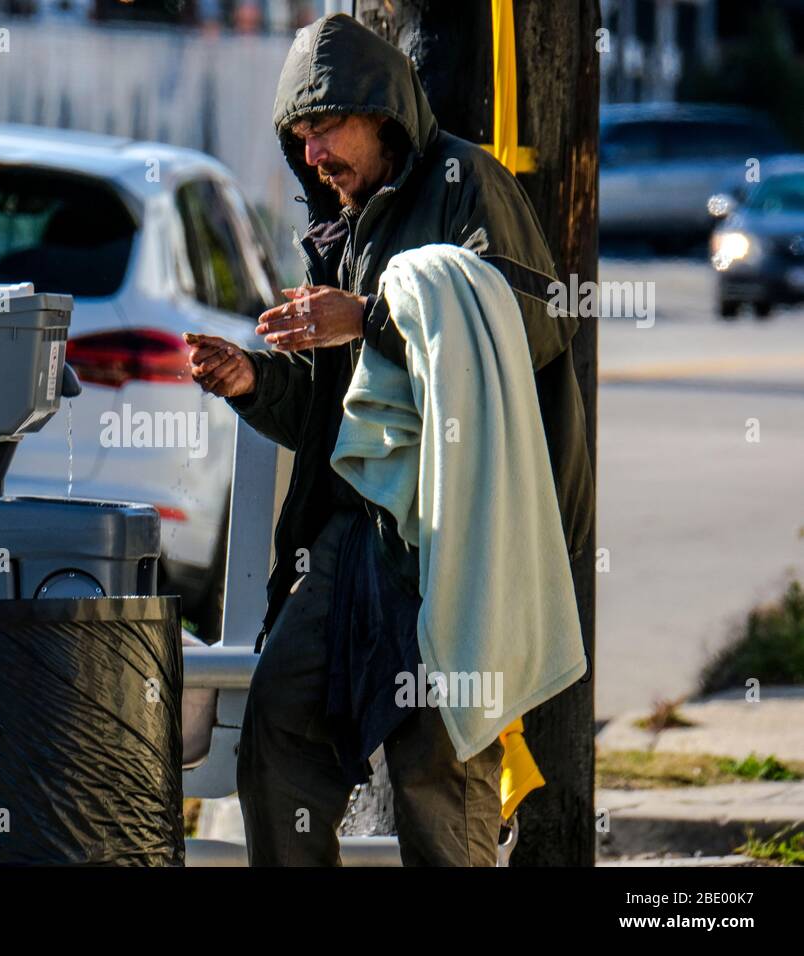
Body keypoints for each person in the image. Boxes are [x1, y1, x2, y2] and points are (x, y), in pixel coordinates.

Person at [183, 13, 593, 866]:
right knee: (280, 730)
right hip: (354, 535)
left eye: (326, 129)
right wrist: (254, 382)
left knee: (435, 775)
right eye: (300, 138)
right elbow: (337, 416)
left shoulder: (467, 181)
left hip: (457, 533)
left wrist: (370, 316)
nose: (313, 155)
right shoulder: (338, 231)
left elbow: (528, 330)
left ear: (380, 112)